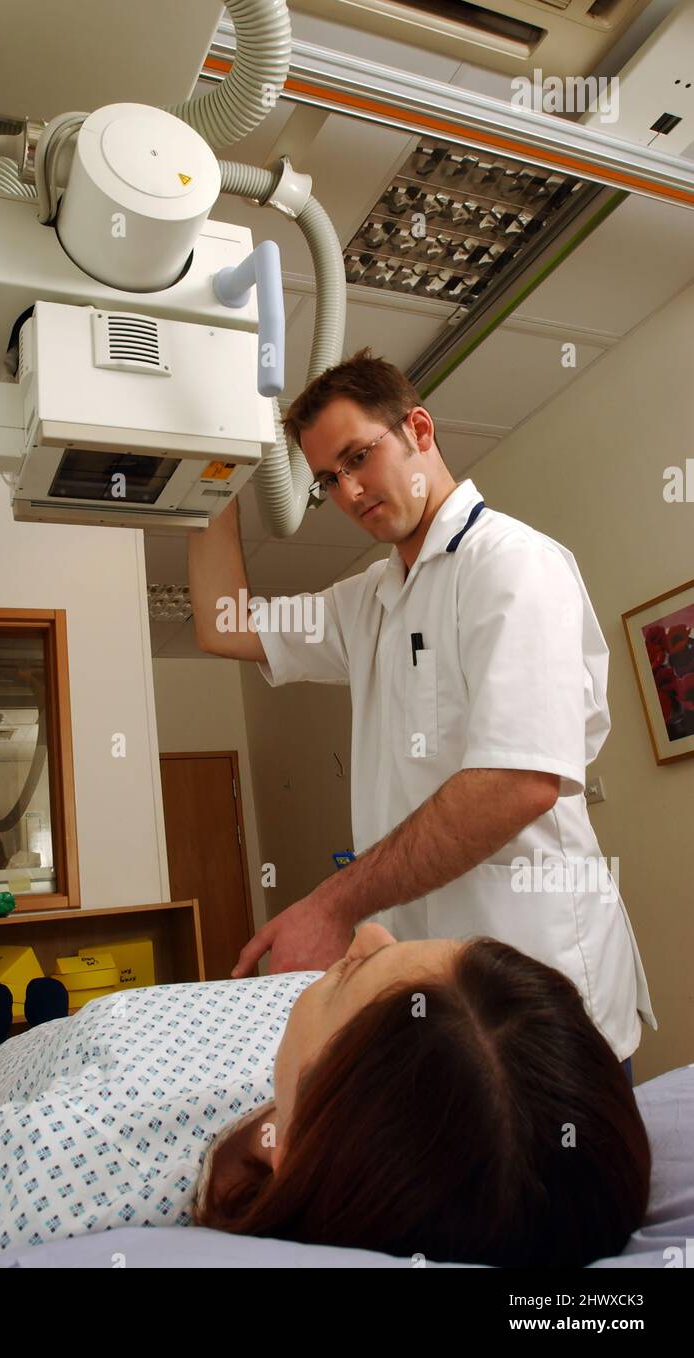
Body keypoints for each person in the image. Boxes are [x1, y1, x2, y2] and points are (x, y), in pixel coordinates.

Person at [188, 347, 656, 1074]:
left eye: (358, 457)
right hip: (441, 1005)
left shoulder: (510, 565)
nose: (347, 491)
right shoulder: (368, 601)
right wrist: (205, 468)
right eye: (328, 480)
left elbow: (517, 781)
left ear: (419, 430)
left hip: (541, 995)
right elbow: (223, 624)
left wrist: (332, 905)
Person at [0, 927, 650, 1267]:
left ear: (296, 1148)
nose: (365, 933)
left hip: (8, 1094)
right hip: (97, 1033)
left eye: (351, 975)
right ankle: (32, 1029)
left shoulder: (54, 1179)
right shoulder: (372, 1076)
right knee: (54, 1022)